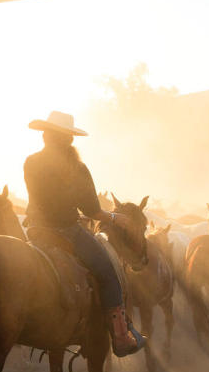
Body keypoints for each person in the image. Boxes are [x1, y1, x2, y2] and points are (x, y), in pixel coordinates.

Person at [22, 111, 144, 356]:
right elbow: (92, 210)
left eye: (46, 132)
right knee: (108, 271)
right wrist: (115, 217)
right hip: (66, 231)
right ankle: (121, 337)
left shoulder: (31, 162)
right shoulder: (76, 168)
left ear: (48, 136)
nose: (44, 135)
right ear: (69, 140)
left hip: (34, 231)